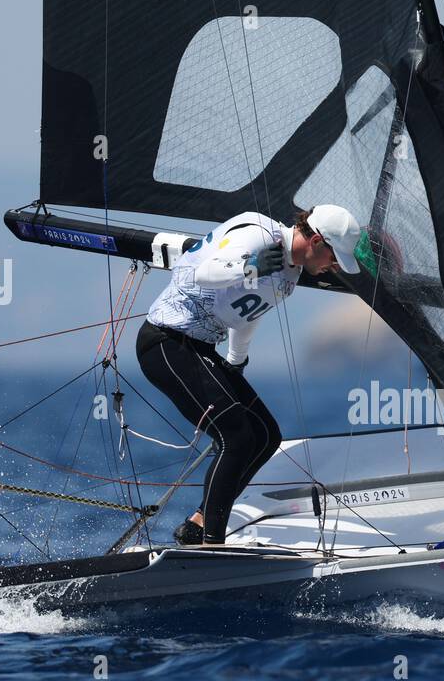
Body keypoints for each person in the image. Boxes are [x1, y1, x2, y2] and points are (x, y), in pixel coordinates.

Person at [136, 204, 361, 546]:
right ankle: (211, 541)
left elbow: (247, 312)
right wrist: (250, 266)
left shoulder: (290, 275)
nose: (333, 266)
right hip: (166, 342)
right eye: (333, 256)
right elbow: (205, 274)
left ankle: (199, 522)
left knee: (266, 435)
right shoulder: (260, 234)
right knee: (236, 437)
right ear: (316, 240)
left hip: (200, 348)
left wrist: (236, 360)